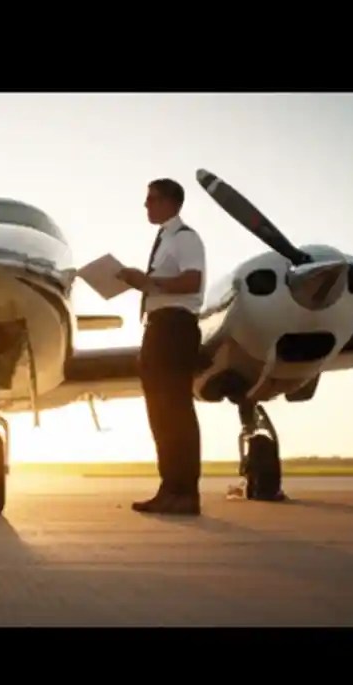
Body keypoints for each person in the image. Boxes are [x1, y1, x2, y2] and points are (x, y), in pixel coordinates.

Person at [116, 178, 205, 515]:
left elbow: (193, 280)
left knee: (176, 411)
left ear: (170, 202)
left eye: (151, 199)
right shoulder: (167, 238)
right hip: (158, 327)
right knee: (160, 413)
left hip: (175, 327)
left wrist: (147, 281)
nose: (146, 205)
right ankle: (170, 489)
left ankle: (185, 493)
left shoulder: (185, 238)